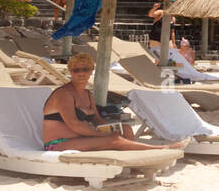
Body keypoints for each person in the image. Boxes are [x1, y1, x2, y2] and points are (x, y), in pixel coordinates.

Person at [43, 53, 189, 152]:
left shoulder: (88, 95)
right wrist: (100, 135)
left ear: (91, 71)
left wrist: (111, 128)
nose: (81, 73)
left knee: (125, 129)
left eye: (85, 69)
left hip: (80, 138)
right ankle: (162, 149)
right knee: (113, 140)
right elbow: (74, 124)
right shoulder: (64, 94)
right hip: (58, 144)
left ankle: (132, 163)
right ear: (70, 72)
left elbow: (97, 120)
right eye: (76, 70)